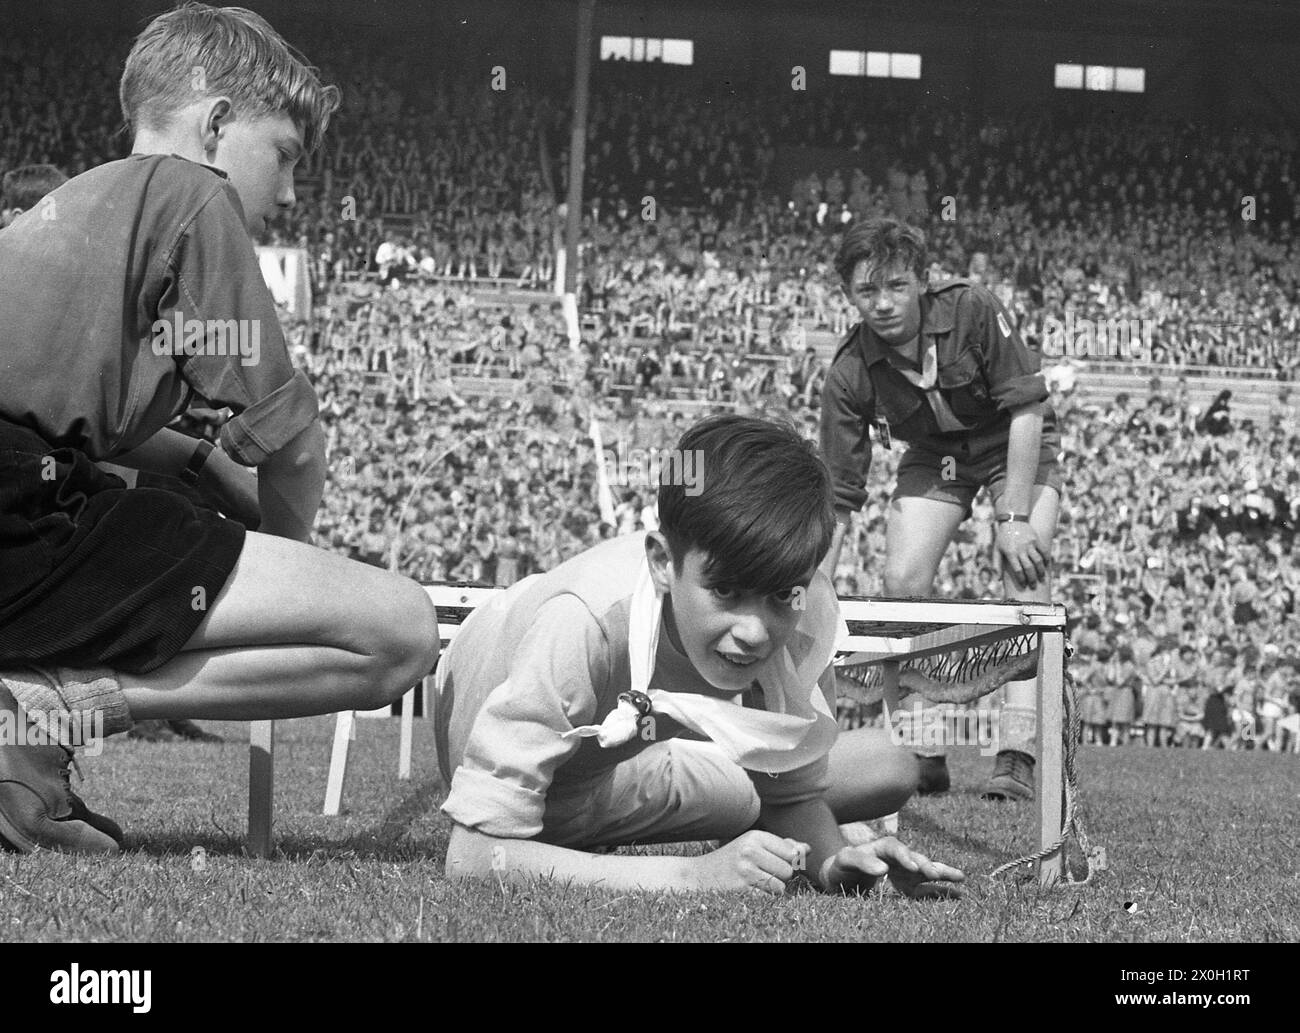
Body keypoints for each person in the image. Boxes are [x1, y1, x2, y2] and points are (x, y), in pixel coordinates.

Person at [0, 3, 439, 855]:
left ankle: (22, 776)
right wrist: (296, 560)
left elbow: (75, 417)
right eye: (284, 155)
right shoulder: (191, 193)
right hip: (23, 515)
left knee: (167, 490)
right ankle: (60, 702)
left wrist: (201, 460)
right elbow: (293, 442)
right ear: (215, 124)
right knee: (400, 632)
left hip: (23, 508)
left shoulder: (61, 210)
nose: (288, 192)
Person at [439, 415, 964, 897]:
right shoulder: (585, 619)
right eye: (728, 591)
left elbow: (790, 797)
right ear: (663, 562)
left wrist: (833, 862)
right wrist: (694, 875)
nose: (756, 632)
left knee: (892, 764)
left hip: (609, 784)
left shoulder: (802, 614)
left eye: (782, 593)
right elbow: (475, 855)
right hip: (517, 766)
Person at [819, 217, 1062, 801]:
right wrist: (815, 583)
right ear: (849, 296)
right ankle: (922, 749)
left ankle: (1018, 751)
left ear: (922, 282)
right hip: (936, 458)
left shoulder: (973, 308)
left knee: (1023, 570)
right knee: (901, 580)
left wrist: (1011, 518)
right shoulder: (849, 369)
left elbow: (1027, 409)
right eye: (866, 292)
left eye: (896, 286)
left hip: (1013, 445)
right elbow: (839, 497)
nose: (882, 303)